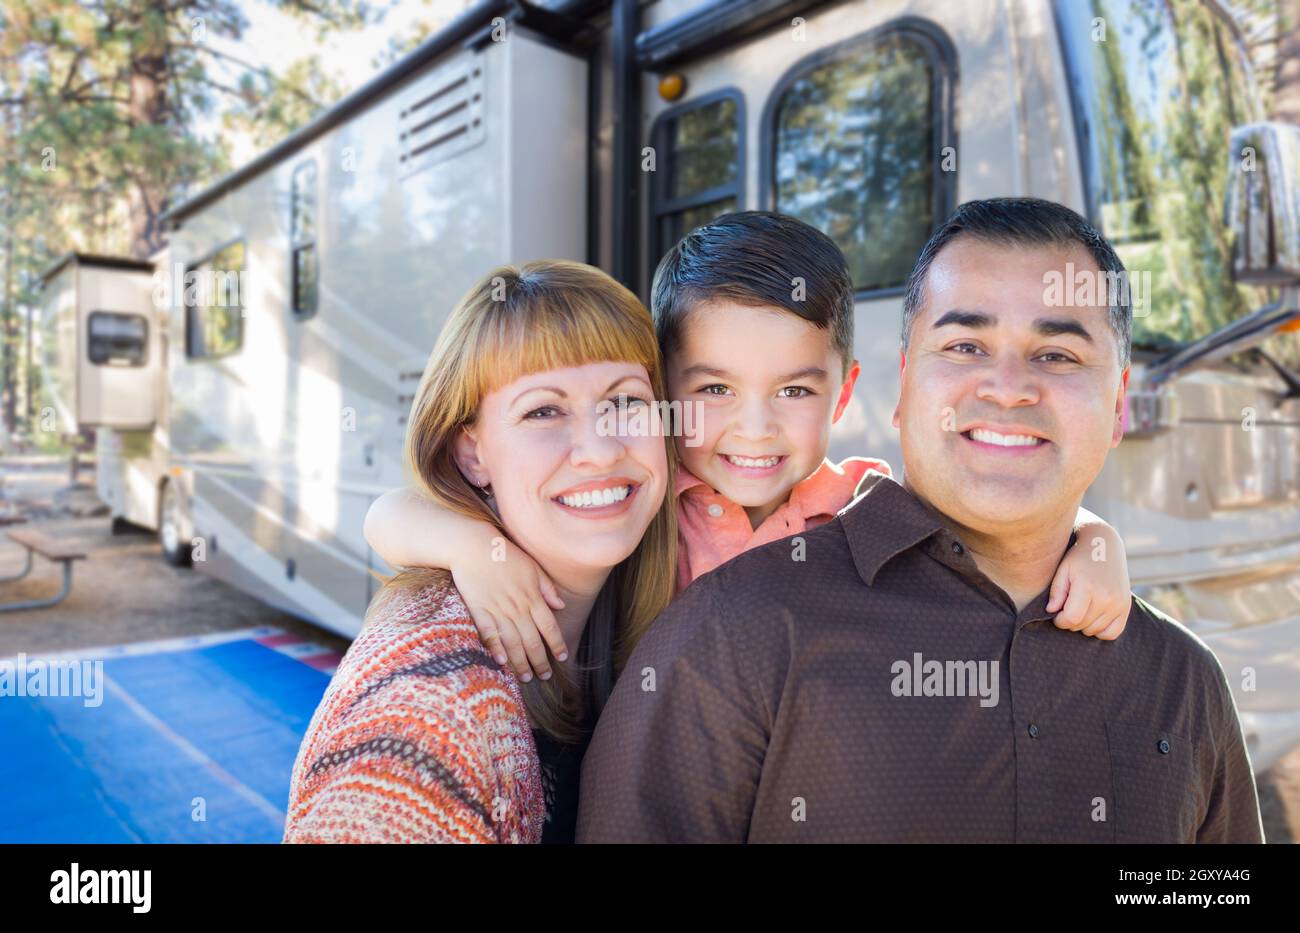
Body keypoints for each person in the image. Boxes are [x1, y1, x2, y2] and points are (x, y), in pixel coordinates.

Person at [575, 198, 1265, 843]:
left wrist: (1094, 535)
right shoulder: (721, 622)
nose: (1007, 386)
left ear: (1119, 404)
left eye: (1056, 354)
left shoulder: (1185, 682)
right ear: (903, 387)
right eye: (965, 345)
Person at [362, 212, 1133, 690]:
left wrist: (1096, 539)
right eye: (714, 391)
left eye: (794, 392)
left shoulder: (862, 503)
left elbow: (991, 523)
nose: (755, 430)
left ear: (842, 392)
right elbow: (388, 514)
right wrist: (470, 547)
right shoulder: (642, 506)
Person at [282, 260, 676, 843]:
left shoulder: (651, 605)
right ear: (473, 454)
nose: (598, 448)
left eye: (625, 401)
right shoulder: (428, 711)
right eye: (544, 410)